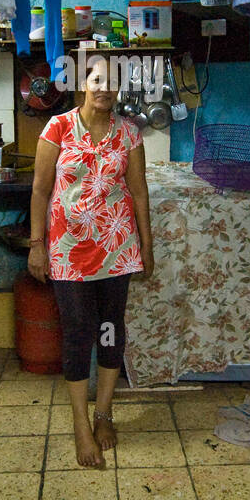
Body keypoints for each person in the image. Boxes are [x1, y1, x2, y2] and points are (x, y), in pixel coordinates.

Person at [28, 53, 154, 467]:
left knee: (110, 329)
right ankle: (82, 426)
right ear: (85, 82)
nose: (104, 89)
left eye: (112, 83)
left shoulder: (129, 133)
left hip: (117, 248)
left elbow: (138, 193)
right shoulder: (58, 127)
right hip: (68, 250)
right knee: (79, 330)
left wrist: (147, 249)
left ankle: (104, 414)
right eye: (97, 80)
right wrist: (36, 244)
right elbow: (41, 191)